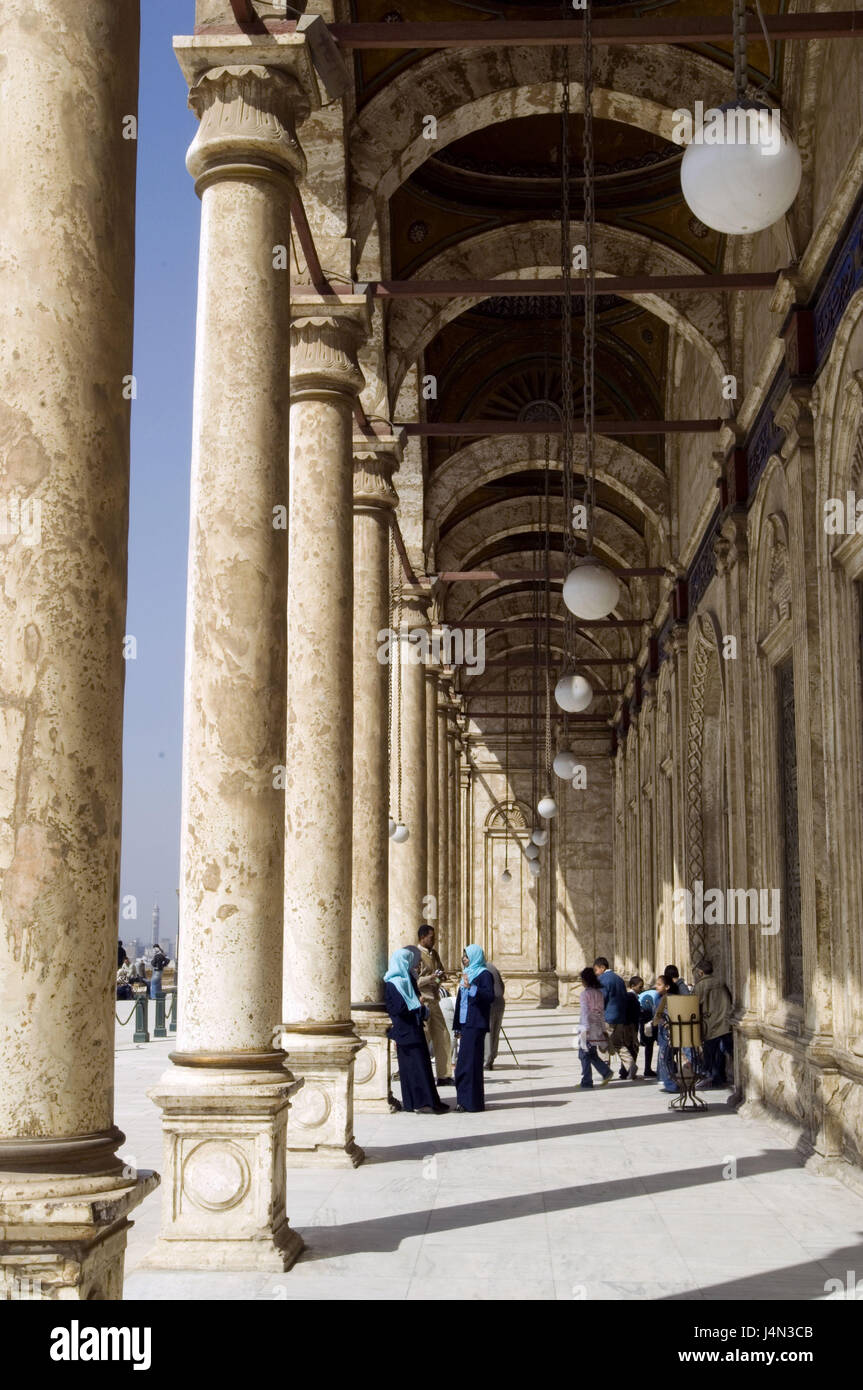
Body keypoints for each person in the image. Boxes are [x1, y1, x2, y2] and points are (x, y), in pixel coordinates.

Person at [383, 948, 449, 1115]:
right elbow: (396, 1008)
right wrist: (416, 1005)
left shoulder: (407, 980)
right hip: (405, 1030)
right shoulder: (392, 983)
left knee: (422, 1066)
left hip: (415, 1028)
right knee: (411, 1069)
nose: (415, 965)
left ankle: (428, 1101)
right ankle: (417, 1102)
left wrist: (418, 1006)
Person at [453, 945, 495, 1112]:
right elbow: (460, 1002)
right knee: (465, 1063)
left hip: (475, 1024)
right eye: (464, 956)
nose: (464, 959)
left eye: (467, 956)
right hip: (466, 1024)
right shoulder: (468, 973)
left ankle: (469, 1102)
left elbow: (490, 996)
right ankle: (466, 1101)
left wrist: (472, 988)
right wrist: (457, 1026)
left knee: (469, 1064)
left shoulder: (484, 974)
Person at [416, 924, 454, 1086]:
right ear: (422, 937)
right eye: (431, 937)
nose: (434, 941)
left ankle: (444, 1075)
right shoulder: (416, 955)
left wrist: (438, 978)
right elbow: (414, 981)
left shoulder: (434, 955)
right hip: (422, 1002)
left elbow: (440, 975)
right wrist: (429, 979)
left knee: (443, 1036)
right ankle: (422, 1074)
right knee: (423, 1039)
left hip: (435, 1000)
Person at [593, 956, 637, 1080]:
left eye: (596, 970)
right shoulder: (619, 978)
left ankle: (606, 1071)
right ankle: (631, 1065)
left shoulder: (603, 979)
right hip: (620, 1018)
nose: (596, 974)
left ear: (602, 967)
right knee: (618, 1043)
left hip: (607, 1017)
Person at [693, 957, 734, 1088]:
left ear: (700, 972)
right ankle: (722, 1077)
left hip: (710, 1024)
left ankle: (710, 1076)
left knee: (710, 1053)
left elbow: (694, 1004)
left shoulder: (700, 985)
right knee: (726, 1051)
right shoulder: (721, 982)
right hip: (725, 1022)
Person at [577, 966, 613, 1088]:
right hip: (597, 1025)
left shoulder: (585, 994)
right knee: (591, 1053)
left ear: (585, 980)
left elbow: (585, 1012)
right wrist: (603, 1029)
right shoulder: (599, 993)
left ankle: (587, 1080)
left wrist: (585, 1029)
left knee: (583, 1054)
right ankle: (606, 1072)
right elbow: (602, 1012)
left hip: (587, 1027)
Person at [652, 973, 679, 1093]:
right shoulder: (670, 997)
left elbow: (661, 1015)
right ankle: (673, 1081)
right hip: (670, 1033)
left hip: (666, 1033)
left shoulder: (665, 999)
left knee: (664, 1058)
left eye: (659, 984)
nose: (656, 986)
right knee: (668, 1058)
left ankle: (670, 1084)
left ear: (667, 986)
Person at [617, 976, 643, 1079]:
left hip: (628, 1026)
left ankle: (624, 1071)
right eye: (640, 987)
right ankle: (628, 1071)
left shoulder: (631, 996)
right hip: (629, 1027)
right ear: (632, 986)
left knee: (629, 1047)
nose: (641, 989)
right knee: (632, 1047)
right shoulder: (631, 997)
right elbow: (632, 1013)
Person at [483, 958, 506, 1070]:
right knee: (495, 1031)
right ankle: (491, 1058)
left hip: (490, 1003)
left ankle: (486, 1061)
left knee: (487, 1031)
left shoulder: (482, 969)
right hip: (499, 1002)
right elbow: (502, 986)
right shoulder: (492, 967)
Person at [637, 978, 660, 1078]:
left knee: (648, 1045)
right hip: (652, 1018)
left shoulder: (642, 994)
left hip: (643, 1018)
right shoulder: (657, 994)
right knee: (662, 1044)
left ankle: (647, 1068)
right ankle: (662, 1068)